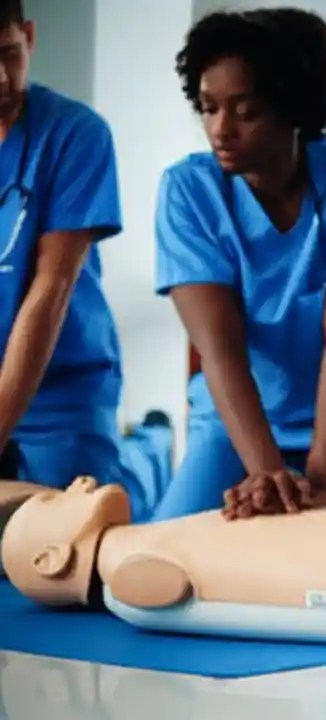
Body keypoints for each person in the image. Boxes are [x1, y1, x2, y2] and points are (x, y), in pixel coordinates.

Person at [150, 8, 326, 523]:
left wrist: (316, 487)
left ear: (294, 109)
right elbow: (219, 350)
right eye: (208, 108)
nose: (220, 130)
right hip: (237, 416)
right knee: (163, 563)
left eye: (245, 112)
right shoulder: (188, 189)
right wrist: (266, 475)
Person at [0, 0, 170, 519]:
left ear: (29, 36)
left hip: (60, 383)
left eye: (8, 53)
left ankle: (151, 448)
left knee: (79, 530)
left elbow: (50, 291)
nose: (0, 78)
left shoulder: (75, 133)